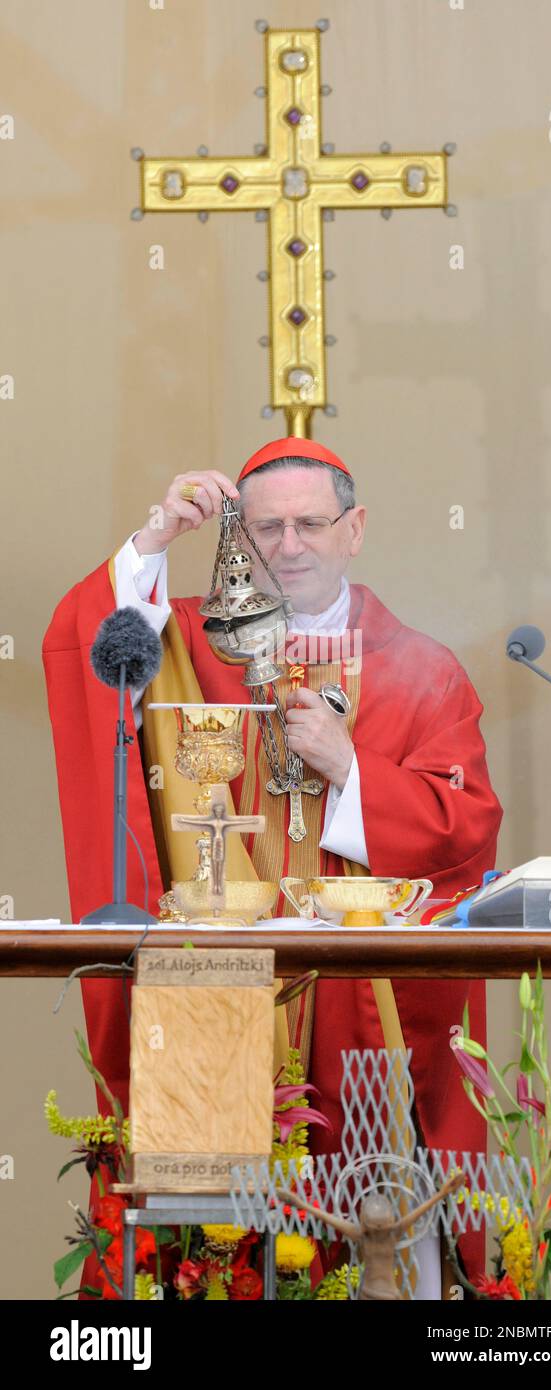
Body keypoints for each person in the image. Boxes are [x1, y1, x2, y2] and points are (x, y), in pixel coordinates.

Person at [43, 436, 503, 1296]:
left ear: (354, 529)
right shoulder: (189, 640)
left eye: (310, 524)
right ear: (239, 535)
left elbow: (467, 826)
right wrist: (152, 541)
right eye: (265, 528)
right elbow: (94, 663)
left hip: (363, 1010)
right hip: (218, 990)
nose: (288, 546)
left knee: (366, 1231)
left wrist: (352, 772)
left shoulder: (424, 671)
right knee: (216, 1256)